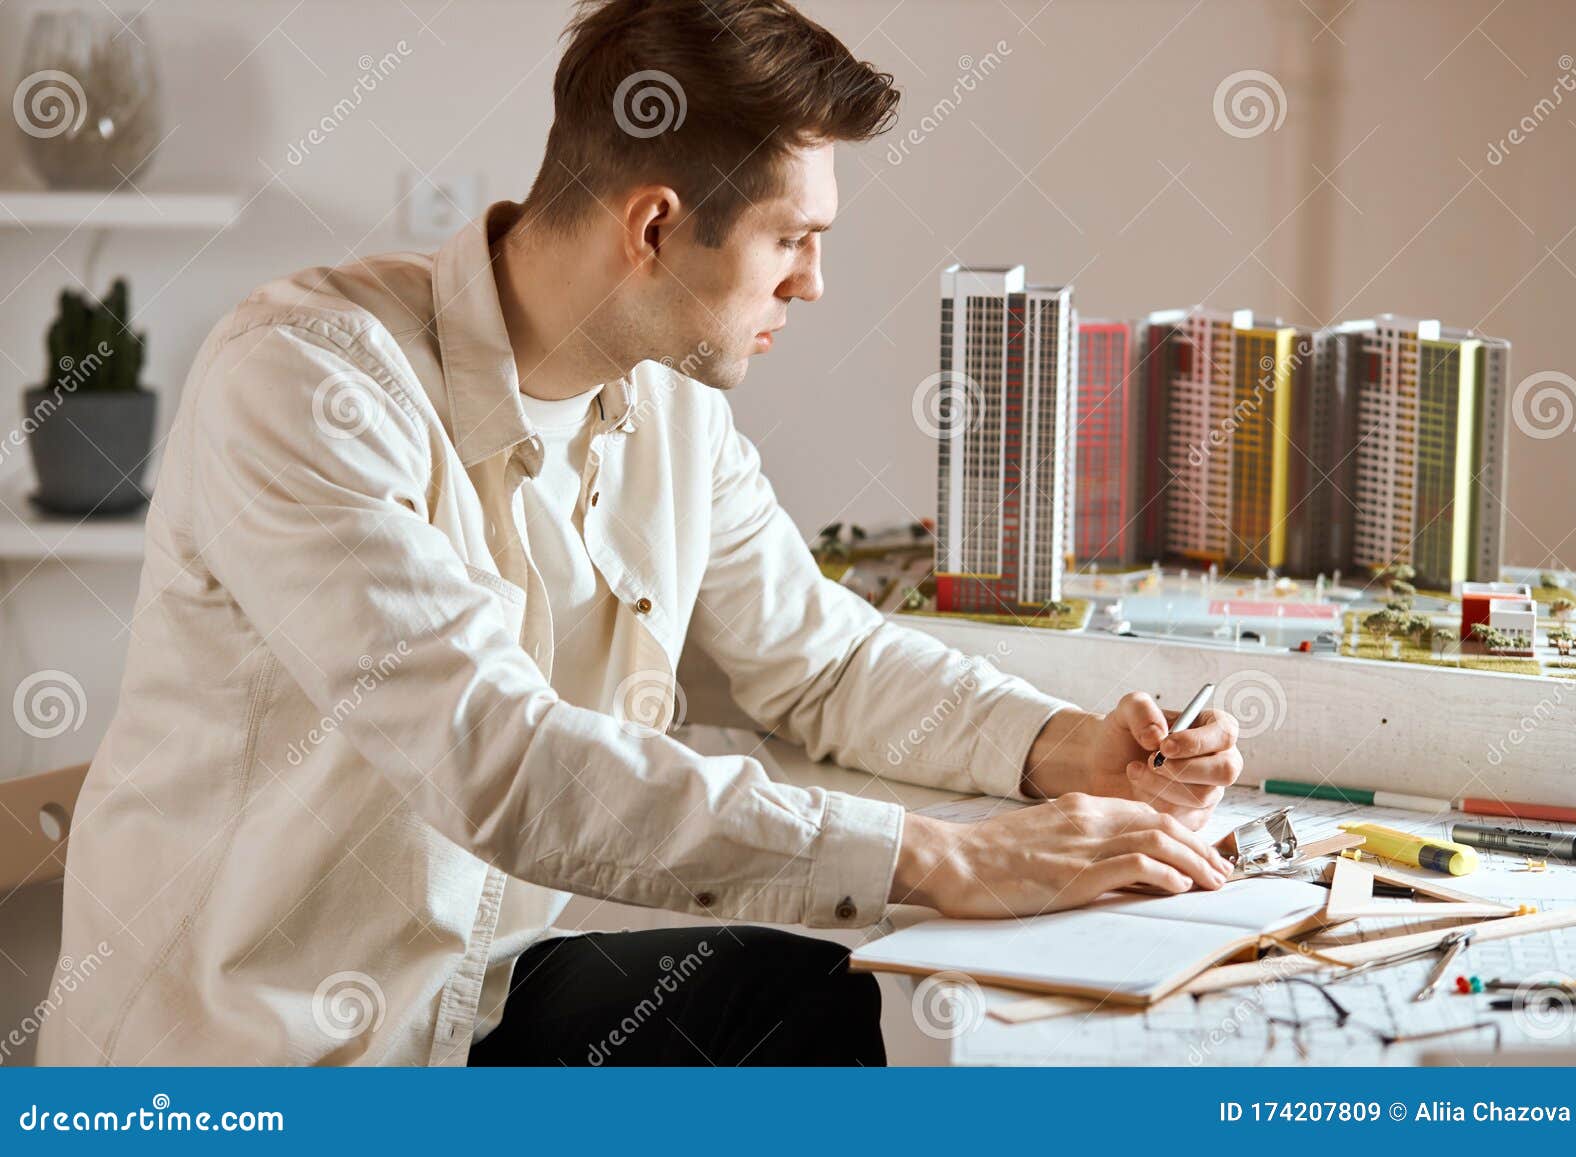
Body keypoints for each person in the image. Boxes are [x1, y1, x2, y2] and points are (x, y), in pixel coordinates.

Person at [41, 0, 1241, 1068]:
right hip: (255, 1054)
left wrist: (1066, 746)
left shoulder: (668, 401)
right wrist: (939, 858)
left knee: (834, 1009)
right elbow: (494, 756)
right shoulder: (304, 379)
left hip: (475, 1001)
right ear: (656, 227)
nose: (813, 283)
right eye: (792, 237)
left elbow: (821, 658)